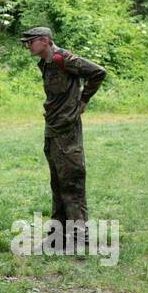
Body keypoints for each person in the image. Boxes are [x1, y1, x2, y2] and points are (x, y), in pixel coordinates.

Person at [21, 26, 107, 252]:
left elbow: (98, 72)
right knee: (57, 182)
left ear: (45, 41)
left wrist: (83, 101)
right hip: (52, 128)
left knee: (72, 180)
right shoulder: (46, 63)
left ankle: (80, 237)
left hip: (67, 130)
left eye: (31, 42)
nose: (28, 46)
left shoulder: (63, 58)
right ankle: (57, 236)